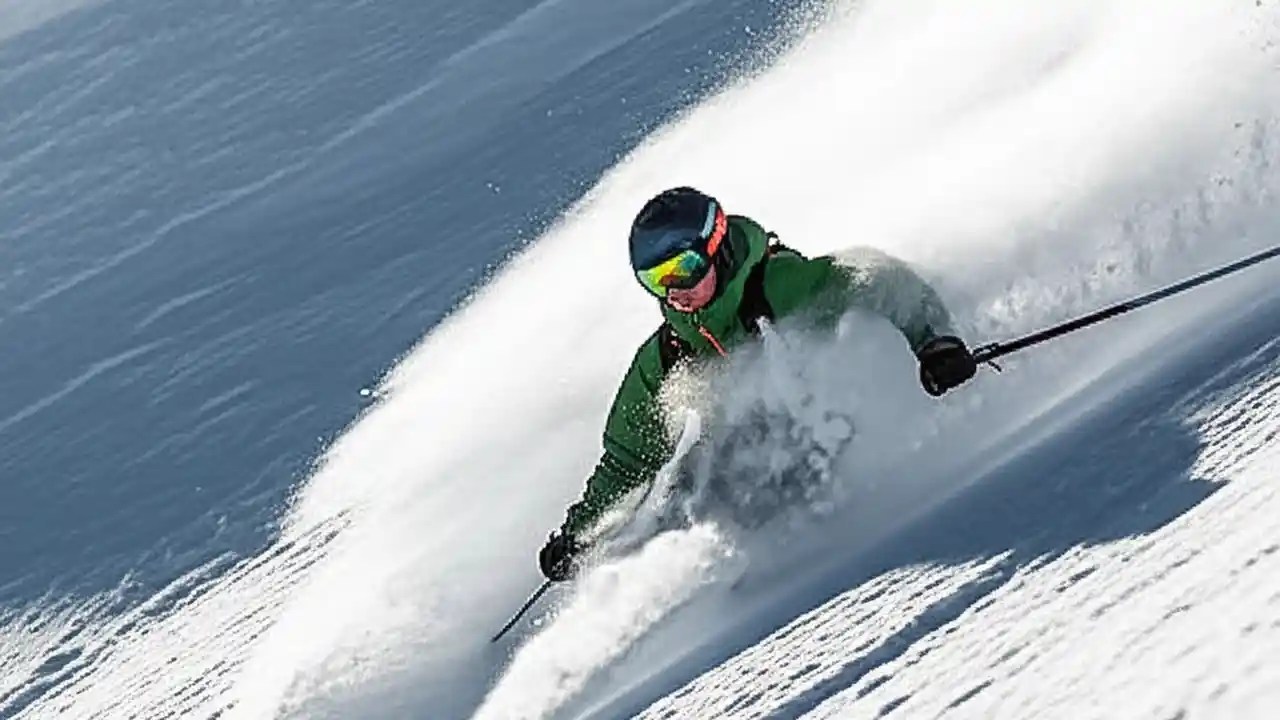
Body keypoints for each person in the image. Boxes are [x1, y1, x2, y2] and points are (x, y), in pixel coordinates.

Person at [538, 187, 977, 581]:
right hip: (751, 477)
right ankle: (692, 584)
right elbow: (629, 457)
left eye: (684, 269)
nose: (675, 292)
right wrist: (580, 535)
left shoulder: (779, 286)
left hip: (835, 441)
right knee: (685, 493)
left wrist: (935, 342)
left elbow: (879, 279)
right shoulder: (670, 353)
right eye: (656, 280)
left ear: (717, 248)